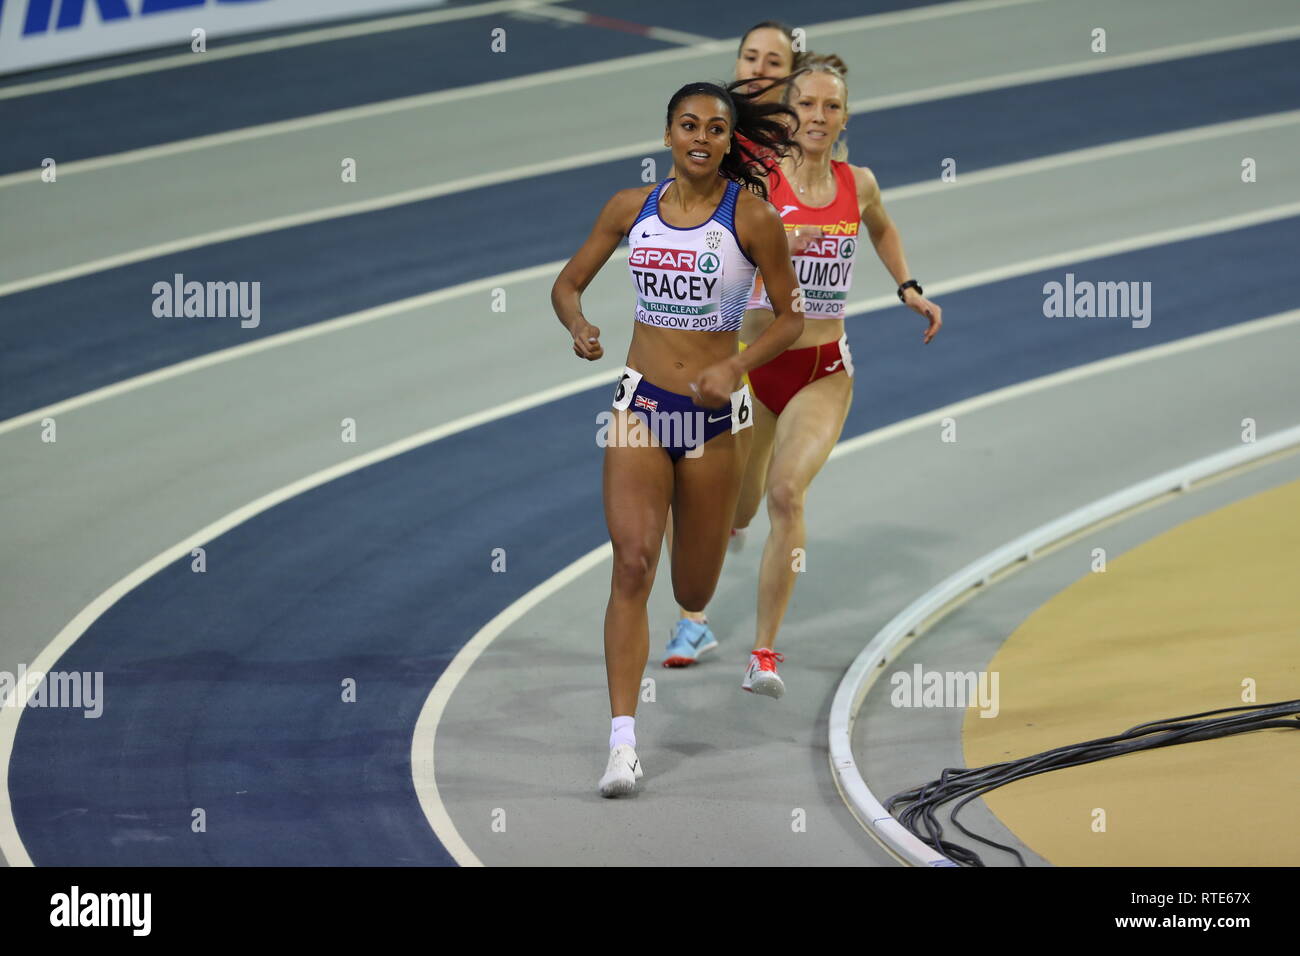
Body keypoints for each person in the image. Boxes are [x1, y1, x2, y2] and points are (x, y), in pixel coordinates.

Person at [551, 78, 805, 796]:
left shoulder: (750, 217)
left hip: (715, 421)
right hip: (641, 404)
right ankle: (622, 744)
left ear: (729, 141)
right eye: (689, 126)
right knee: (632, 564)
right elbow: (567, 285)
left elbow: (790, 315)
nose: (701, 139)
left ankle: (701, 594)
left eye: (716, 129)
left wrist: (737, 365)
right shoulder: (630, 210)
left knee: (690, 585)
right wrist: (579, 325)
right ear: (667, 135)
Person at [665, 54, 944, 698]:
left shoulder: (860, 182)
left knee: (786, 495)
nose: (819, 116)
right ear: (789, 115)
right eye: (807, 105)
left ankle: (763, 653)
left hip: (822, 369)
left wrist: (907, 285)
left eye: (831, 106)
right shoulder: (759, 183)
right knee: (734, 505)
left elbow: (882, 225)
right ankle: (697, 605)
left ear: (845, 117)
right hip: (754, 366)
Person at [660, 20, 800, 667]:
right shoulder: (713, 141)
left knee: (752, 501)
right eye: (750, 56)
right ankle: (693, 619)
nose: (758, 69)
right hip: (725, 350)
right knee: (687, 481)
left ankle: (726, 559)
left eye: (775, 60)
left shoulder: (810, 149)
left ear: (792, 73)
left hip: (788, 348)